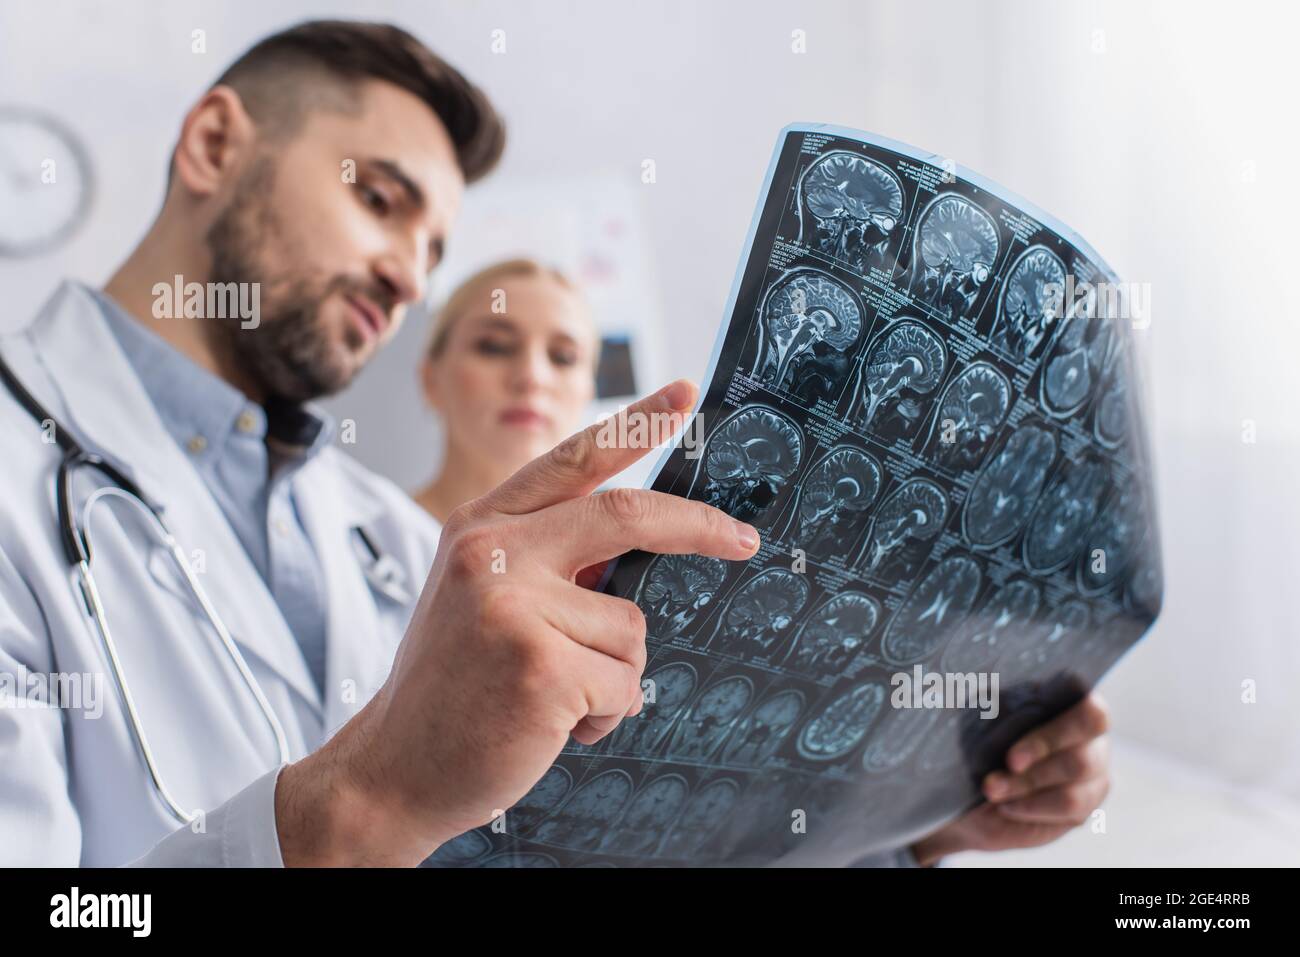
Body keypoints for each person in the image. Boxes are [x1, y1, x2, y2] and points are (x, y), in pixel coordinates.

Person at [0, 19, 1111, 867]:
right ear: (210, 145)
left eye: (433, 245)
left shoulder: (391, 535)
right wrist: (359, 808)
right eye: (378, 200)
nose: (407, 273)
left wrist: (907, 818)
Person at [412, 259, 599, 528]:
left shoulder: (619, 557)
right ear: (431, 379)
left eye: (563, 357)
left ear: (588, 392)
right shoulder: (357, 544)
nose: (532, 376)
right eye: (495, 347)